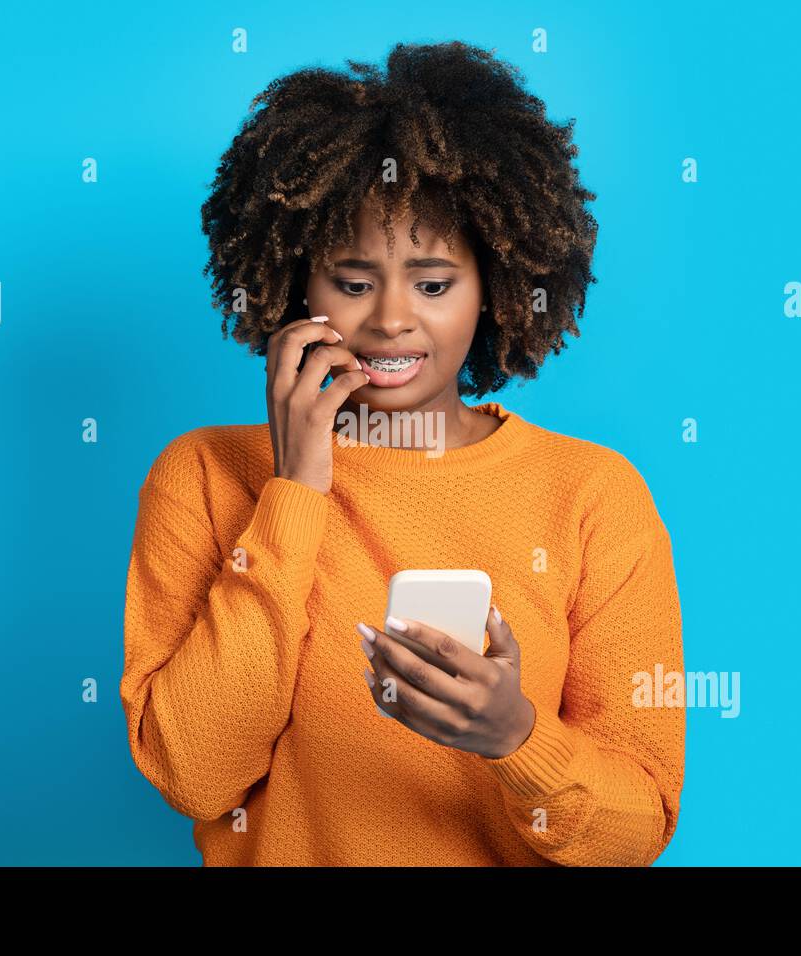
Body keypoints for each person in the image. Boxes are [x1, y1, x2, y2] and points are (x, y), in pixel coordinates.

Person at [120, 40, 684, 866]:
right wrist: (295, 488)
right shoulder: (203, 477)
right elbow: (196, 775)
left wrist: (517, 738)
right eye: (352, 283)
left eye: (432, 284)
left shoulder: (593, 495)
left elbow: (636, 831)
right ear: (294, 287)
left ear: (492, 285)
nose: (390, 320)